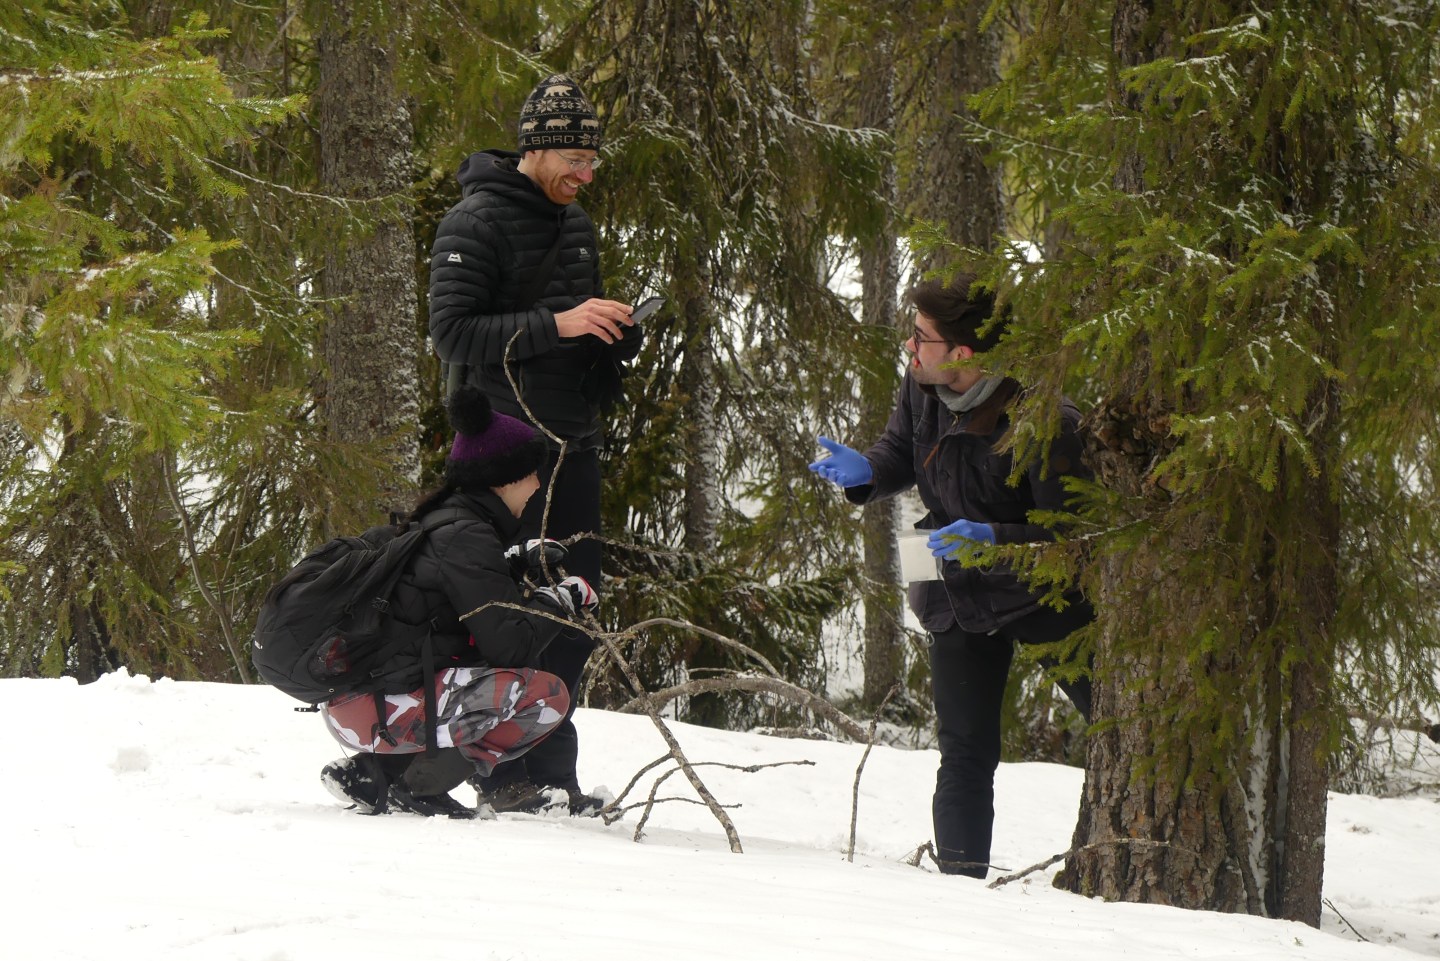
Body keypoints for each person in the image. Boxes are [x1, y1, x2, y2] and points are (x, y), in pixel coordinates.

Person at [808, 275, 1094, 879]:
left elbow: (1074, 540)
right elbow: (899, 451)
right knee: (963, 753)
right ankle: (959, 892)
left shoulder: (1047, 419)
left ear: (962, 353)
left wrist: (995, 539)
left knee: (1117, 722)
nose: (909, 347)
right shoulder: (923, 386)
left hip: (1042, 594)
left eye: (921, 337)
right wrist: (867, 472)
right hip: (957, 590)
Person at [427, 72, 642, 815]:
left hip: (572, 443)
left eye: (593, 160)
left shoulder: (575, 225)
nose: (586, 175)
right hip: (504, 456)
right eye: (575, 160)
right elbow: (452, 334)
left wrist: (612, 337)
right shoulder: (472, 223)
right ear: (536, 150)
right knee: (511, 614)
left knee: (574, 609)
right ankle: (503, 773)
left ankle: (551, 774)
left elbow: (573, 331)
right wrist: (561, 323)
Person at [319, 387, 598, 819]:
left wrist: (513, 561)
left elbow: (455, 601)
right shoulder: (466, 536)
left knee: (471, 677)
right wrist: (561, 600)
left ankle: (374, 773)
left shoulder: (447, 523)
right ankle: (415, 785)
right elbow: (510, 646)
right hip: (376, 711)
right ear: (502, 478)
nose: (537, 484)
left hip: (360, 704)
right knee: (545, 696)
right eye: (530, 473)